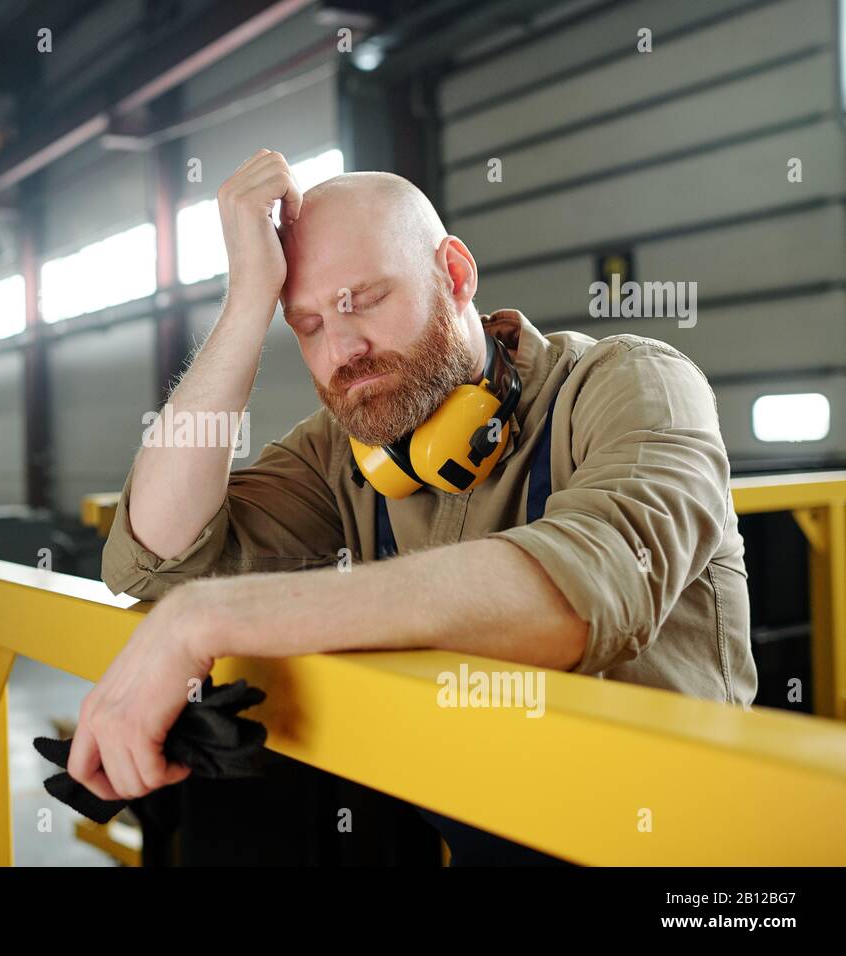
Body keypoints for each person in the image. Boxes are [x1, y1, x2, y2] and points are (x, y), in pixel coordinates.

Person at [71, 148, 755, 864]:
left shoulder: (631, 384)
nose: (342, 350)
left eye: (363, 300)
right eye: (307, 325)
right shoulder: (344, 451)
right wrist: (246, 301)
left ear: (454, 275)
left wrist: (205, 618)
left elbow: (591, 586)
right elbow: (154, 556)